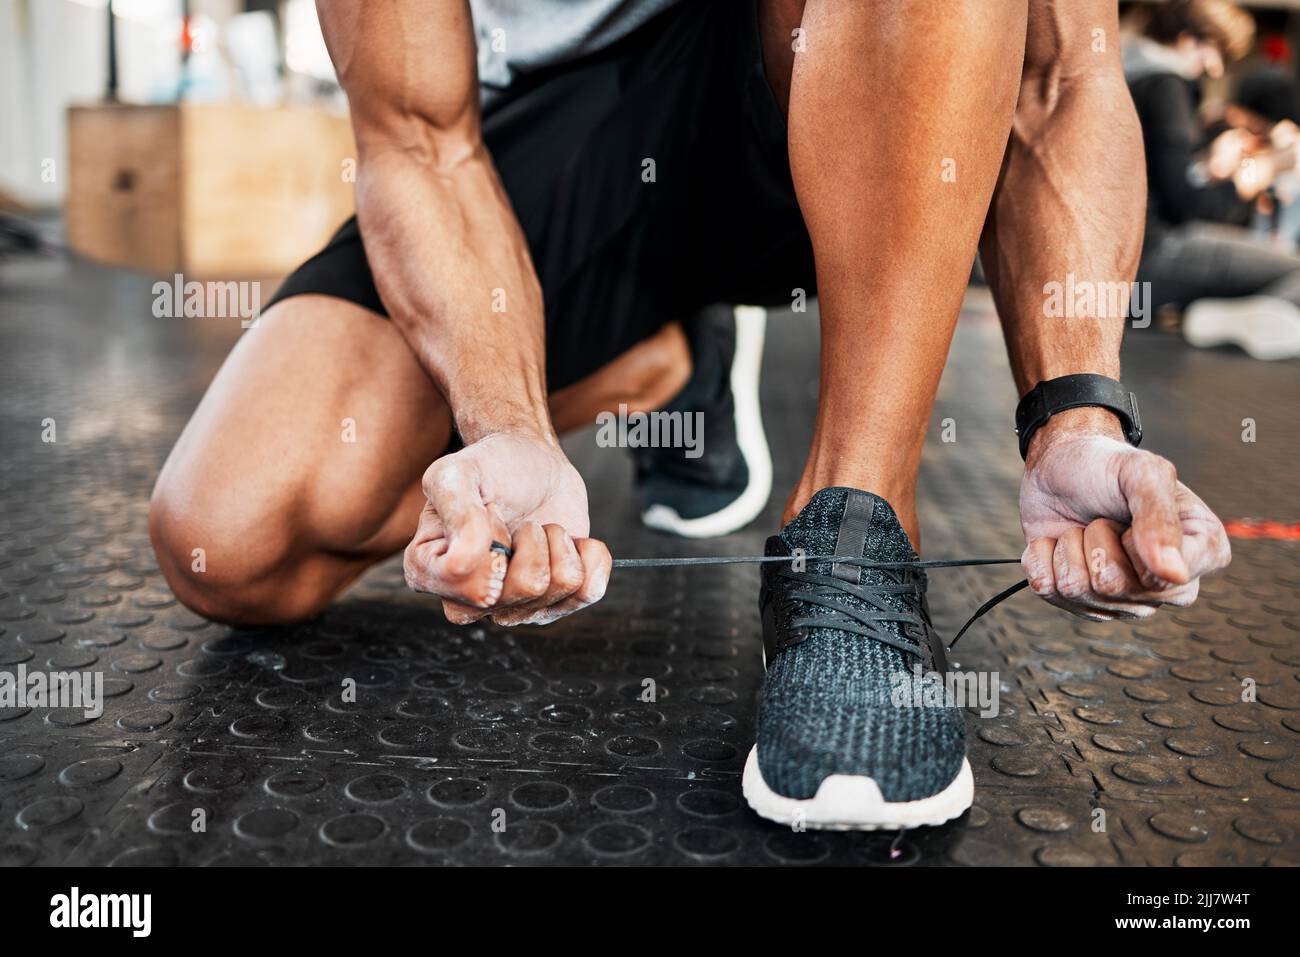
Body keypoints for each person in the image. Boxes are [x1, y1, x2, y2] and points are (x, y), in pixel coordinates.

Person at [149, 0, 1232, 830]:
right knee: (232, 539)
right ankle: (660, 363)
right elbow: (417, 143)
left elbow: (1059, 74)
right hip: (550, 135)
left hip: (854, 80)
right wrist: (507, 423)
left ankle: (851, 531)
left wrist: (1076, 410)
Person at [1126, 0, 1300, 359]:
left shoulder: (1129, 76)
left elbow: (1162, 178)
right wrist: (1254, 175)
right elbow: (1186, 205)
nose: (1215, 69)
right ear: (1188, 40)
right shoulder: (1164, 85)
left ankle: (1215, 313)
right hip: (1150, 257)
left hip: (1126, 265)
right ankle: (1220, 317)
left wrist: (1210, 166)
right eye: (1215, 52)